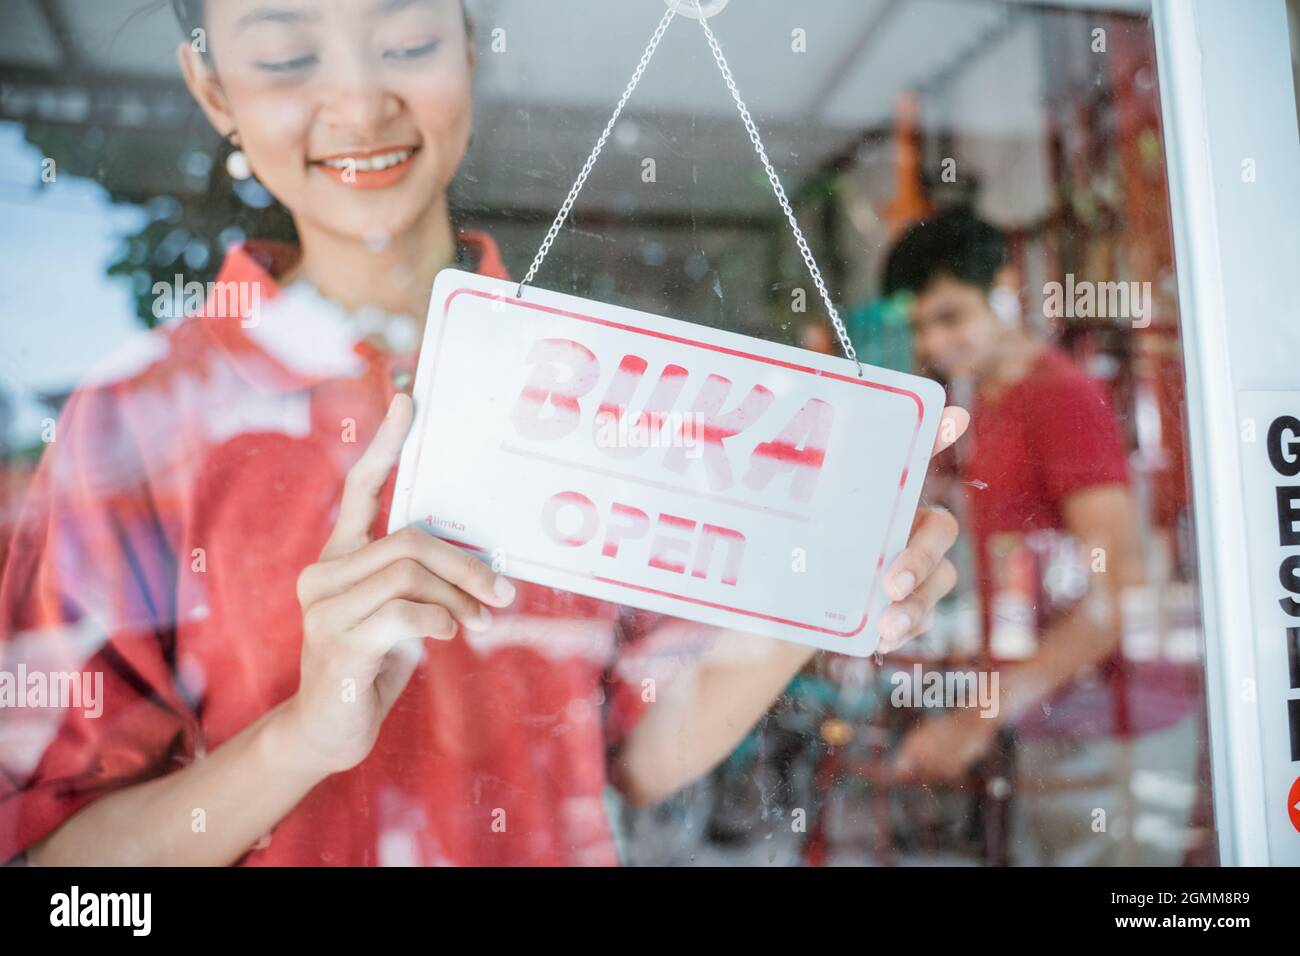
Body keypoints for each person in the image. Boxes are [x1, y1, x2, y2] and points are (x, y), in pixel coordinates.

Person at [0, 0, 967, 866]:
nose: (360, 100)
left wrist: (812, 582)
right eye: (289, 55)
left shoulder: (594, 375)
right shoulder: (137, 420)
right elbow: (54, 868)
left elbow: (631, 755)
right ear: (212, 88)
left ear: (470, 44)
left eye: (409, 40)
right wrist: (301, 738)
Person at [882, 207, 1199, 864]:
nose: (936, 345)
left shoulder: (1060, 396)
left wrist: (974, 719)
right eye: (919, 327)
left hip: (1116, 724)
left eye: (951, 316)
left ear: (1004, 288)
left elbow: (1119, 598)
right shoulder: (989, 404)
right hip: (1047, 713)